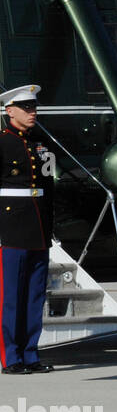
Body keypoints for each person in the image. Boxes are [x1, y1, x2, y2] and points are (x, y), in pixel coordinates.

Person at [0, 85, 55, 374]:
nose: (32, 112)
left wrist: (51, 227)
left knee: (35, 295)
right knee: (11, 297)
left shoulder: (40, 143)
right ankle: (11, 358)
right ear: (10, 111)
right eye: (26, 108)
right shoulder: (3, 142)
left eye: (34, 107)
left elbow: (49, 186)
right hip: (11, 227)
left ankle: (31, 354)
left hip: (39, 227)